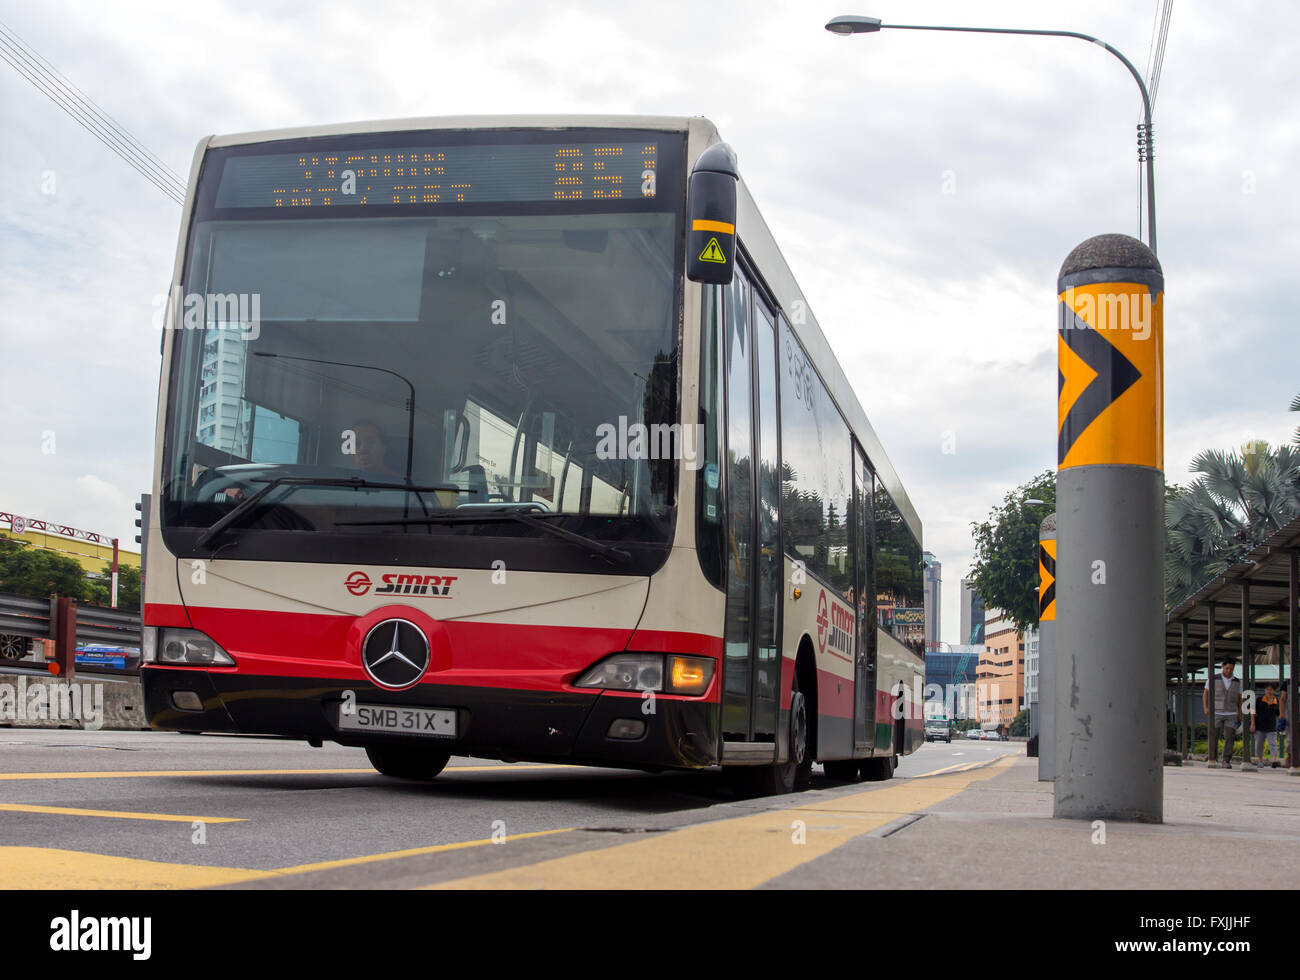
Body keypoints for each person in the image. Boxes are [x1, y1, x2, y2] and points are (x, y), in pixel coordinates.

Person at [1203, 656, 1243, 768]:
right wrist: (1206, 708)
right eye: (1227, 668)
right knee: (1214, 736)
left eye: (1231, 668)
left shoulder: (1237, 681)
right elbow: (1205, 694)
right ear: (1222, 667)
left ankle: (1226, 760)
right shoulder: (1213, 679)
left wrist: (1240, 713)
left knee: (1229, 737)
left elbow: (1240, 699)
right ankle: (1213, 756)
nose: (1229, 671)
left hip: (1231, 713)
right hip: (1216, 712)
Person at [1253, 682, 1282, 767]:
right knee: (1259, 744)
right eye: (1267, 689)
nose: (1269, 691)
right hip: (1260, 726)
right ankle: (1260, 760)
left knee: (1272, 743)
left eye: (1271, 689)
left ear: (1274, 691)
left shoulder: (1276, 701)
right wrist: (1253, 723)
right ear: (1265, 690)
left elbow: (1278, 714)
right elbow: (1253, 711)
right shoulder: (1259, 700)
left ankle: (1274, 760)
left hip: (1271, 726)